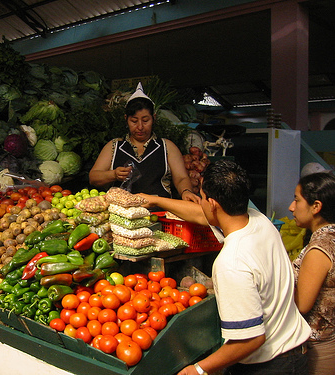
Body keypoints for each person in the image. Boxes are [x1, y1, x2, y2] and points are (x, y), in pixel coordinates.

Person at [139, 159, 311, 375]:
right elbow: (201, 214)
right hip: (296, 352)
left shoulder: (231, 263)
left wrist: (199, 369)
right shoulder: (260, 221)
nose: (199, 202)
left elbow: (251, 339)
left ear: (213, 204)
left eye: (201, 197)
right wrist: (155, 200)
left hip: (271, 366)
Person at [89, 82, 199, 203]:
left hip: (160, 211)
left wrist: (186, 191)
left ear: (154, 118)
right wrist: (113, 174)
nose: (140, 127)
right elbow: (93, 177)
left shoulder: (167, 146)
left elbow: (181, 178)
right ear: (126, 119)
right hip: (122, 215)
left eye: (145, 120)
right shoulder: (114, 146)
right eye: (134, 121)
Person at [290, 172, 335, 375]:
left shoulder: (319, 249)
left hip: (320, 348)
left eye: (297, 200)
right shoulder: (330, 236)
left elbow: (302, 304)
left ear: (316, 206)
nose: (292, 207)